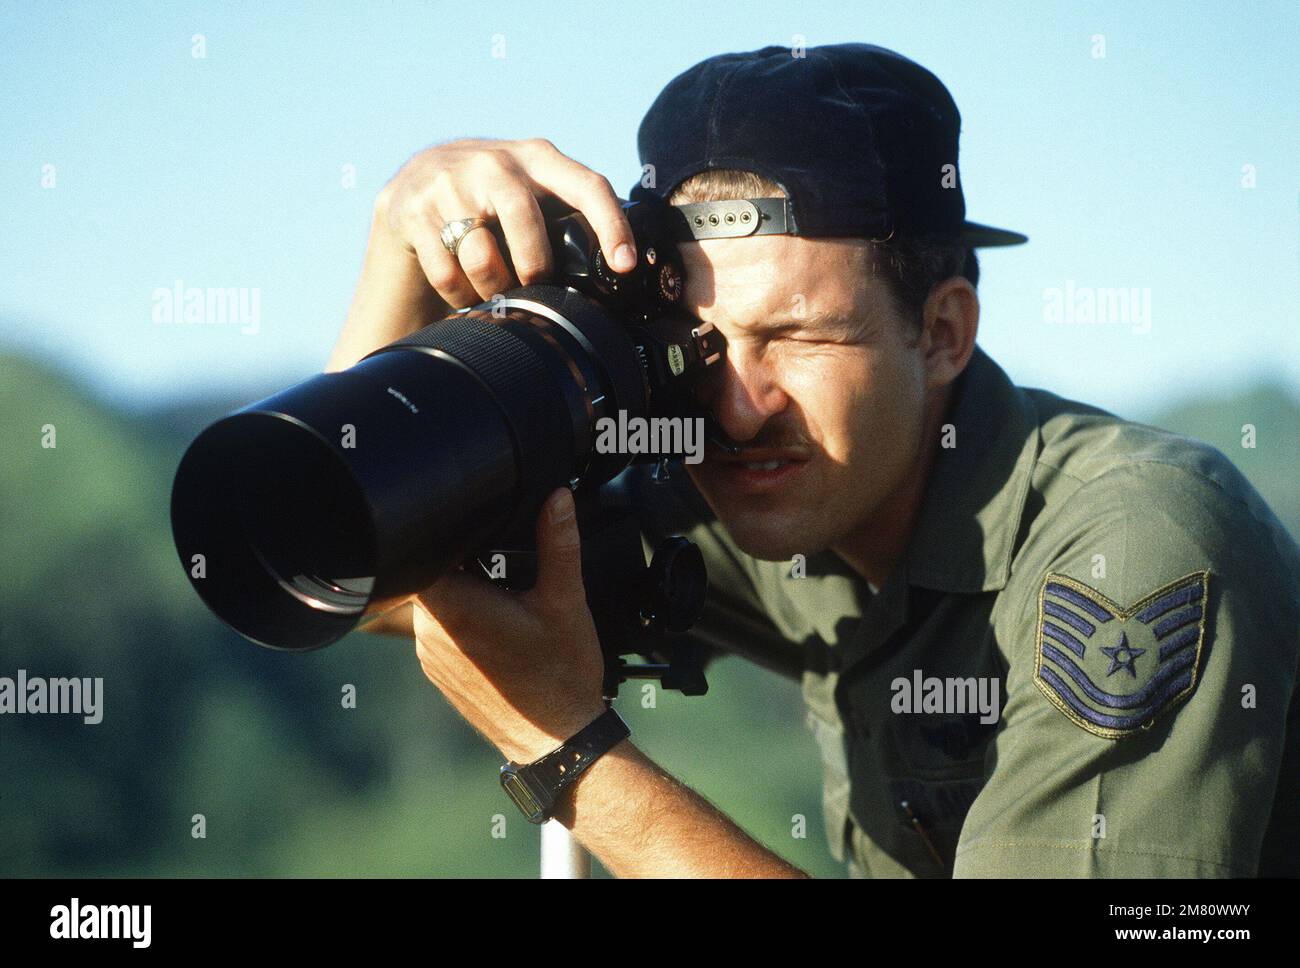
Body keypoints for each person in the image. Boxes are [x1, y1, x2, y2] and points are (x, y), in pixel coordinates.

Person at [327, 43, 1300, 878]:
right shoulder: (762, 488)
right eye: (700, 347)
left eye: (800, 336)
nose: (740, 409)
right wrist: (396, 248)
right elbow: (364, 571)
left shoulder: (1130, 548)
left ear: (944, 331)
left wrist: (569, 749)